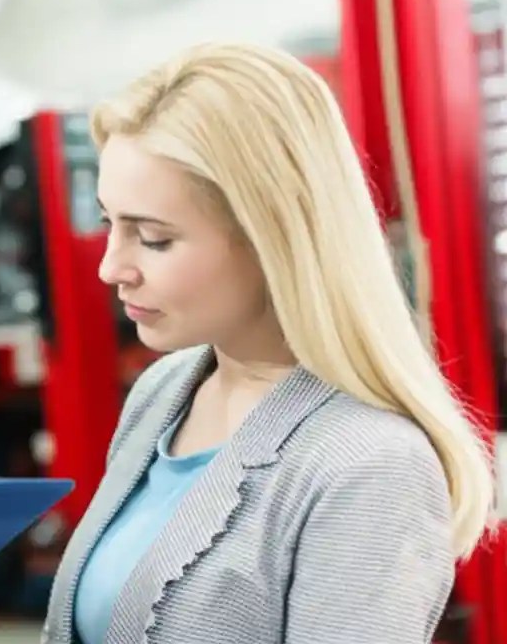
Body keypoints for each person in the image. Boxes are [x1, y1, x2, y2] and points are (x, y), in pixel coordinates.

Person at [39, 42, 498, 644]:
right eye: (110, 223)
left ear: (271, 238)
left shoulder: (368, 465)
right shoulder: (164, 393)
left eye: (152, 238)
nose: (111, 268)